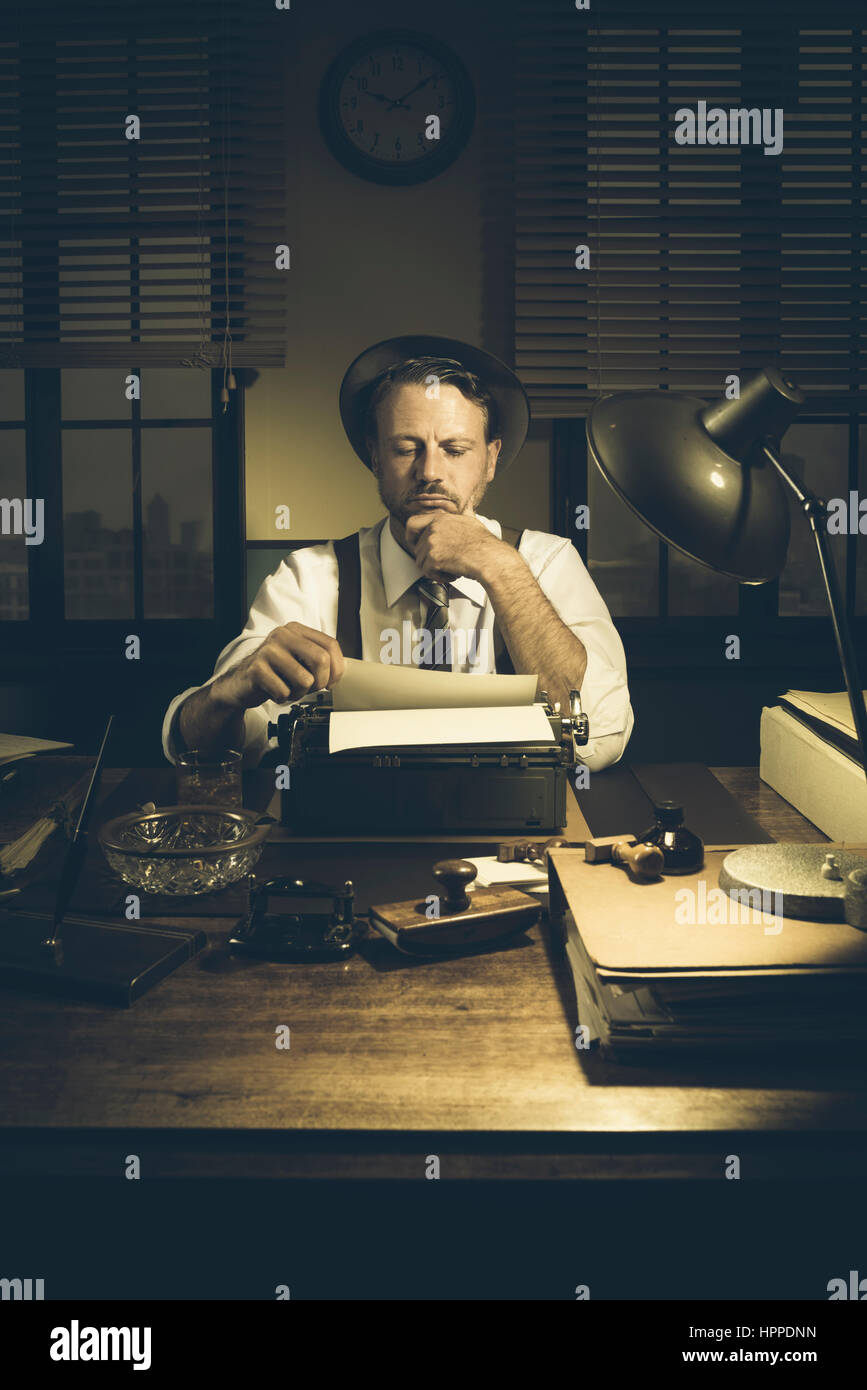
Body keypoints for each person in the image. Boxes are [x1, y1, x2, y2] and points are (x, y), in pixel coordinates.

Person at [162, 334, 633, 771]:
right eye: (407, 448)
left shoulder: (548, 562)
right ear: (375, 456)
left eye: (454, 449)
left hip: (514, 826)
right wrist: (228, 694)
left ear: (490, 459)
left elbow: (601, 738)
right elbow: (208, 750)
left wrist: (503, 569)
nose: (430, 472)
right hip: (355, 829)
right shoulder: (310, 579)